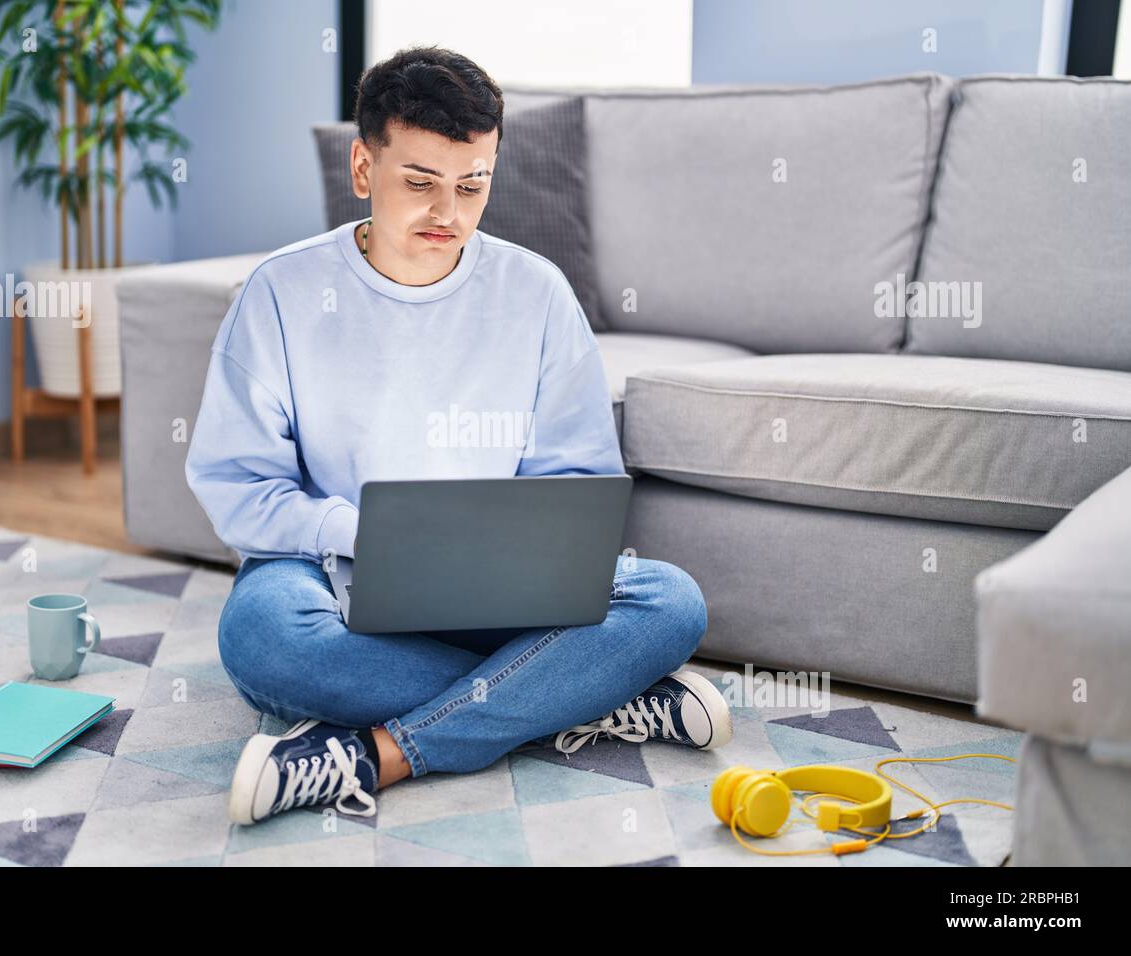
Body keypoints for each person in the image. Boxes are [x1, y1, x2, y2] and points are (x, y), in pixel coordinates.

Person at [185, 45, 731, 826]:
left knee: (671, 601)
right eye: (421, 183)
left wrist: (503, 548)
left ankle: (382, 753)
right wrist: (363, 532)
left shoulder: (536, 293)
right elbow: (239, 489)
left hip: (498, 588)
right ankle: (594, 694)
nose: (449, 213)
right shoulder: (282, 291)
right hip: (328, 576)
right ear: (363, 169)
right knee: (265, 642)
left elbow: (577, 478)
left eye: (472, 185)